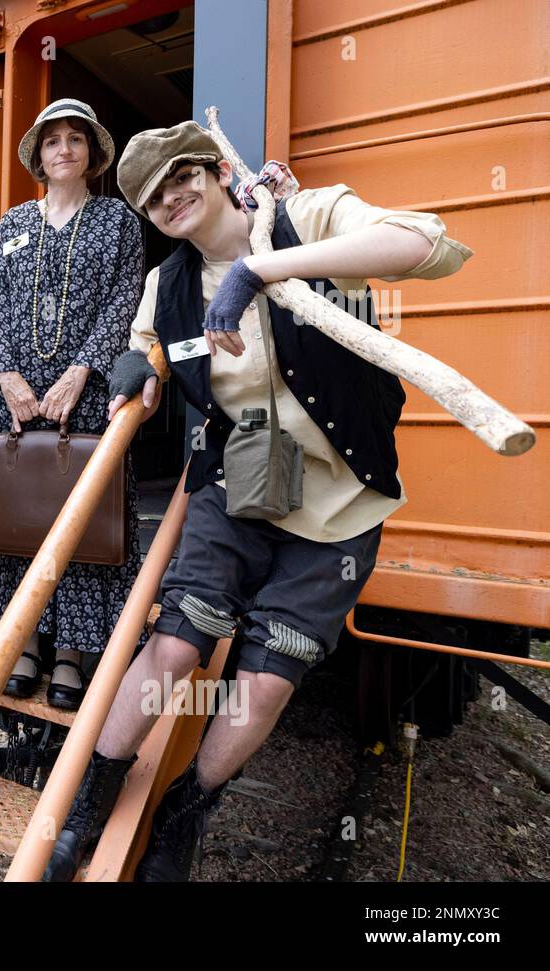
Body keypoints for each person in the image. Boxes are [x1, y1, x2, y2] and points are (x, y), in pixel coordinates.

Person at [44, 121, 473, 882]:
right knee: (178, 642)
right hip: (237, 481)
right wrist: (129, 372)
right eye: (151, 197)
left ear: (215, 170)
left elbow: (426, 241)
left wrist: (269, 270)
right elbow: (148, 347)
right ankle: (85, 803)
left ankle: (188, 806)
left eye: (181, 175)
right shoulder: (167, 284)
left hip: (343, 499)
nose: (171, 198)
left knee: (270, 676)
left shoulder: (309, 216)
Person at [0, 98, 144, 711]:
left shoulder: (118, 221)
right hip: (14, 399)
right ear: (38, 154)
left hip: (82, 399)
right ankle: (27, 641)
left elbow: (125, 301)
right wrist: (6, 376)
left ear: (92, 154)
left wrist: (79, 374)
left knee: (80, 524)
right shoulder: (12, 223)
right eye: (52, 139)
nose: (64, 148)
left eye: (76, 138)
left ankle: (72, 652)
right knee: (19, 516)